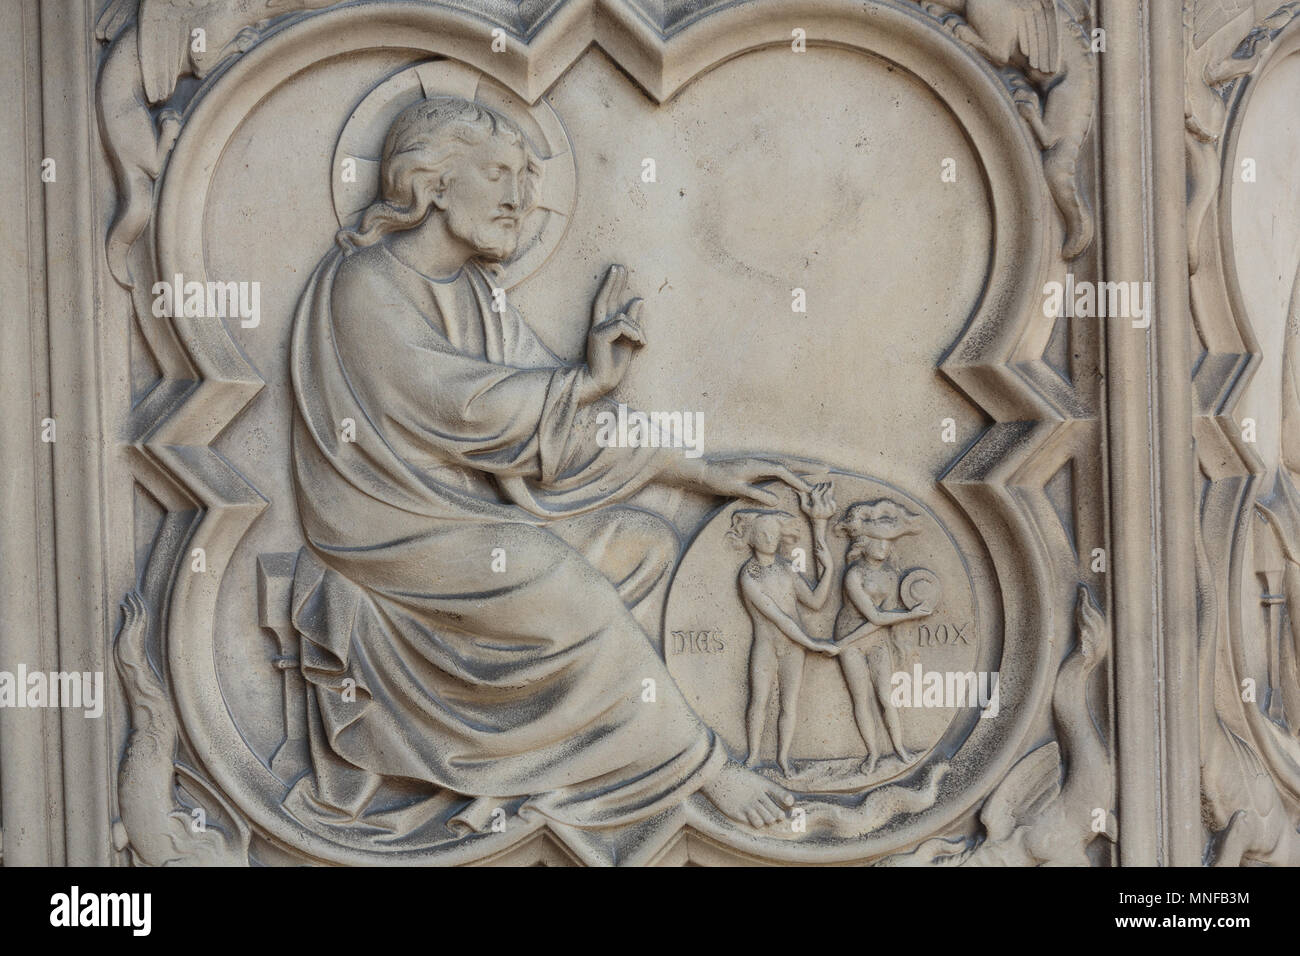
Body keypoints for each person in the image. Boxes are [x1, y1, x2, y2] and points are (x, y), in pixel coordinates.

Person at [288, 95, 806, 834]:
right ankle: (698, 764)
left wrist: (697, 473)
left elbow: (562, 427)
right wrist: (584, 381)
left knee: (640, 543)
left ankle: (531, 760)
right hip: (387, 532)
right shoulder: (365, 283)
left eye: (528, 182)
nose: (520, 199)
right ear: (431, 183)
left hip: (466, 522)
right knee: (550, 570)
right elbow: (458, 409)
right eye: (499, 174)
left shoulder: (474, 293)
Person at [728, 484, 838, 776]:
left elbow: (815, 601)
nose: (769, 539)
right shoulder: (748, 575)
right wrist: (815, 644)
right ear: (750, 537)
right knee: (759, 701)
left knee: (789, 705)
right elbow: (779, 618)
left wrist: (828, 570)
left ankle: (783, 759)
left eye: (774, 534)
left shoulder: (787, 569)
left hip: (794, 649)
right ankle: (752, 757)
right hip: (767, 647)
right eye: (762, 534)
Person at [832, 499, 936, 775]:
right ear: (863, 543)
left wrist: (905, 615)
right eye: (877, 541)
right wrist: (910, 614)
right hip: (850, 637)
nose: (883, 547)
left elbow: (881, 620)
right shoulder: (853, 575)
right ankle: (873, 754)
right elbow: (875, 617)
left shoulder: (891, 575)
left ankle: (899, 748)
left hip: (873, 637)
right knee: (861, 698)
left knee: (886, 697)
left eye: (887, 542)